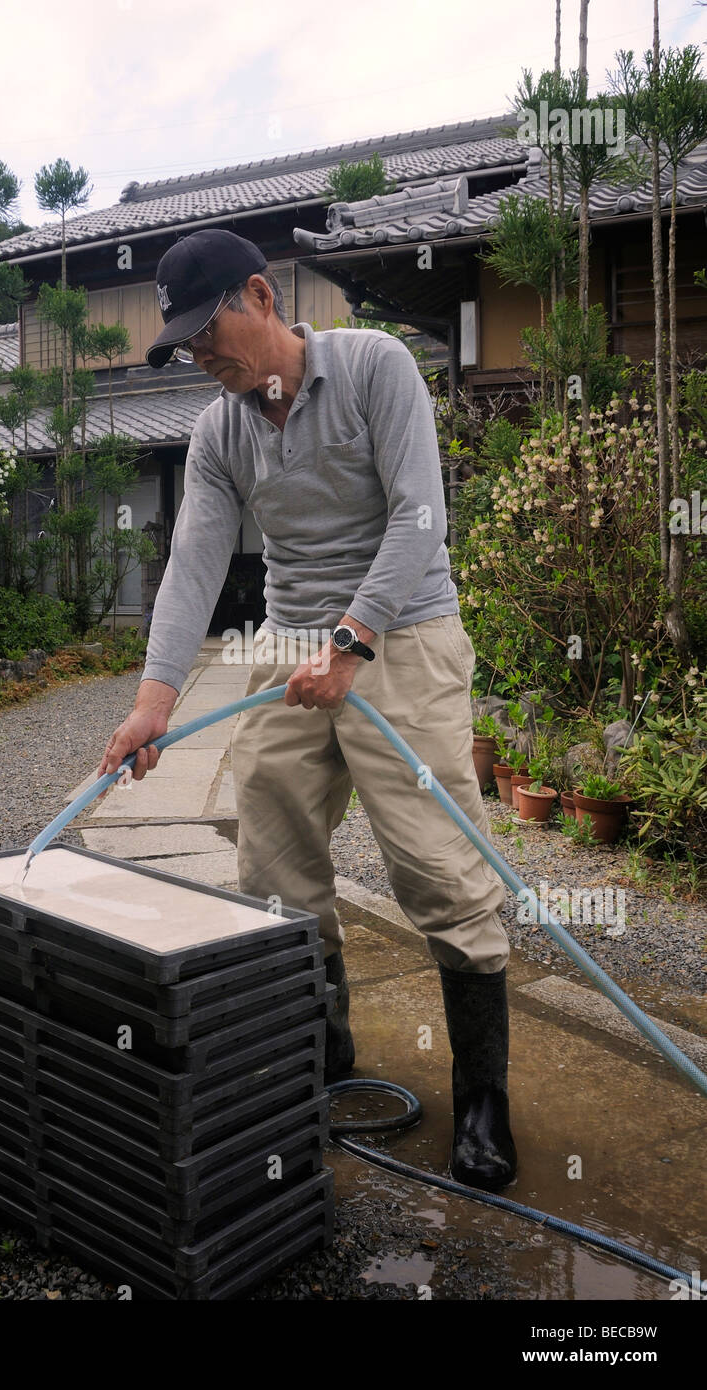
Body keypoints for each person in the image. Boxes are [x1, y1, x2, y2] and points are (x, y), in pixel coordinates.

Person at [97, 228, 517, 1191]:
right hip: (291, 648)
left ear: (262, 296)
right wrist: (155, 698)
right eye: (186, 345)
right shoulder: (220, 429)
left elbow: (421, 514)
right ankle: (324, 1061)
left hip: (401, 634)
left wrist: (355, 641)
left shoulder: (376, 366)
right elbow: (196, 561)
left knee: (439, 870)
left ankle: (485, 1098)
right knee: (272, 865)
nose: (202, 356)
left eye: (210, 332)